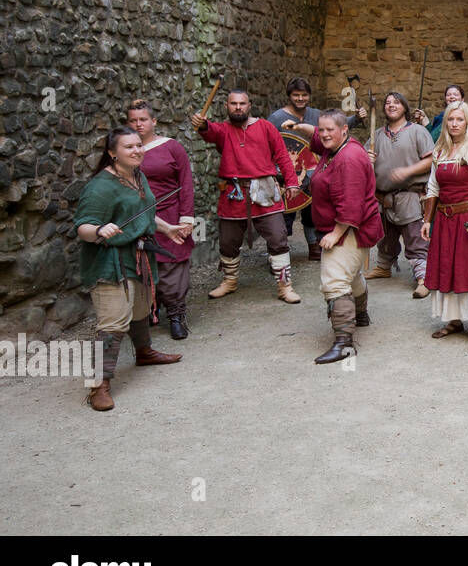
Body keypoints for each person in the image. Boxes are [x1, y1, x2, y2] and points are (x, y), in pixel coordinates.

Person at [74, 128, 184, 411]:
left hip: (139, 256)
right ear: (113, 153)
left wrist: (166, 227)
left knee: (140, 308)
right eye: (129, 147)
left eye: (139, 145)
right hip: (109, 262)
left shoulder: (138, 175)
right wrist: (99, 228)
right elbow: (82, 227)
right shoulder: (100, 187)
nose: (137, 151)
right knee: (113, 322)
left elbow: (145, 211)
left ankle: (144, 352)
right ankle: (99, 384)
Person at [192, 90, 303, 303]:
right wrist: (201, 123)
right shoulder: (223, 130)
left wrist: (291, 182)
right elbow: (208, 131)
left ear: (249, 105)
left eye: (242, 103)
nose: (238, 107)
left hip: (265, 191)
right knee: (228, 242)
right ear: (226, 106)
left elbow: (282, 155)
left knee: (278, 238)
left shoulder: (265, 127)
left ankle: (284, 286)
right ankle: (229, 281)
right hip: (234, 194)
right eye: (233, 104)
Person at [302, 110, 384, 364]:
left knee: (335, 281)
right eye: (321, 129)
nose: (324, 134)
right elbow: (318, 140)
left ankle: (344, 344)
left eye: (330, 130)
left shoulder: (348, 159)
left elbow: (351, 204)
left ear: (344, 130)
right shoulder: (336, 146)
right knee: (352, 274)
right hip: (353, 227)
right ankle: (360, 315)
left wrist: (335, 234)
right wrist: (301, 127)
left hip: (350, 229)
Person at [421, 101, 468, 353]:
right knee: (448, 269)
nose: (455, 124)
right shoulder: (440, 150)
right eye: (450, 120)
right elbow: (433, 188)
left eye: (459, 120)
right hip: (443, 221)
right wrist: (427, 220)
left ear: (467, 122)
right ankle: (454, 320)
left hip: (467, 221)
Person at [126, 99, 195, 340]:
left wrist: (187, 218)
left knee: (172, 264)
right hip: (137, 216)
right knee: (141, 264)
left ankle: (176, 314)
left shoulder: (171, 147)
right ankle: (149, 312)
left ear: (153, 121)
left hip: (170, 214)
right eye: (133, 121)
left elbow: (186, 182)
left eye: (143, 119)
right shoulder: (123, 151)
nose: (138, 124)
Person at [365, 92, 435, 298]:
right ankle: (384, 266)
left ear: (404, 107)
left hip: (409, 196)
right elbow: (361, 161)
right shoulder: (377, 134)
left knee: (415, 238)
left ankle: (423, 277)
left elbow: (431, 160)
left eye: (396, 102)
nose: (391, 105)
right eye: (387, 103)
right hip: (383, 197)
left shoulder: (418, 131)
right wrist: (365, 159)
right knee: (386, 236)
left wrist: (408, 171)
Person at [268, 78, 323, 260]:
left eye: (304, 95)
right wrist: (276, 174)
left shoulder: (316, 115)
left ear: (309, 96)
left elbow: (336, 126)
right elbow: (267, 145)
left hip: (312, 172)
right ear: (289, 96)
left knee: (312, 213)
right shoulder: (276, 119)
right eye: (296, 95)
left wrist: (357, 118)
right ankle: (279, 253)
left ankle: (314, 247)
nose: (300, 98)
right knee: (284, 215)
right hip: (285, 173)